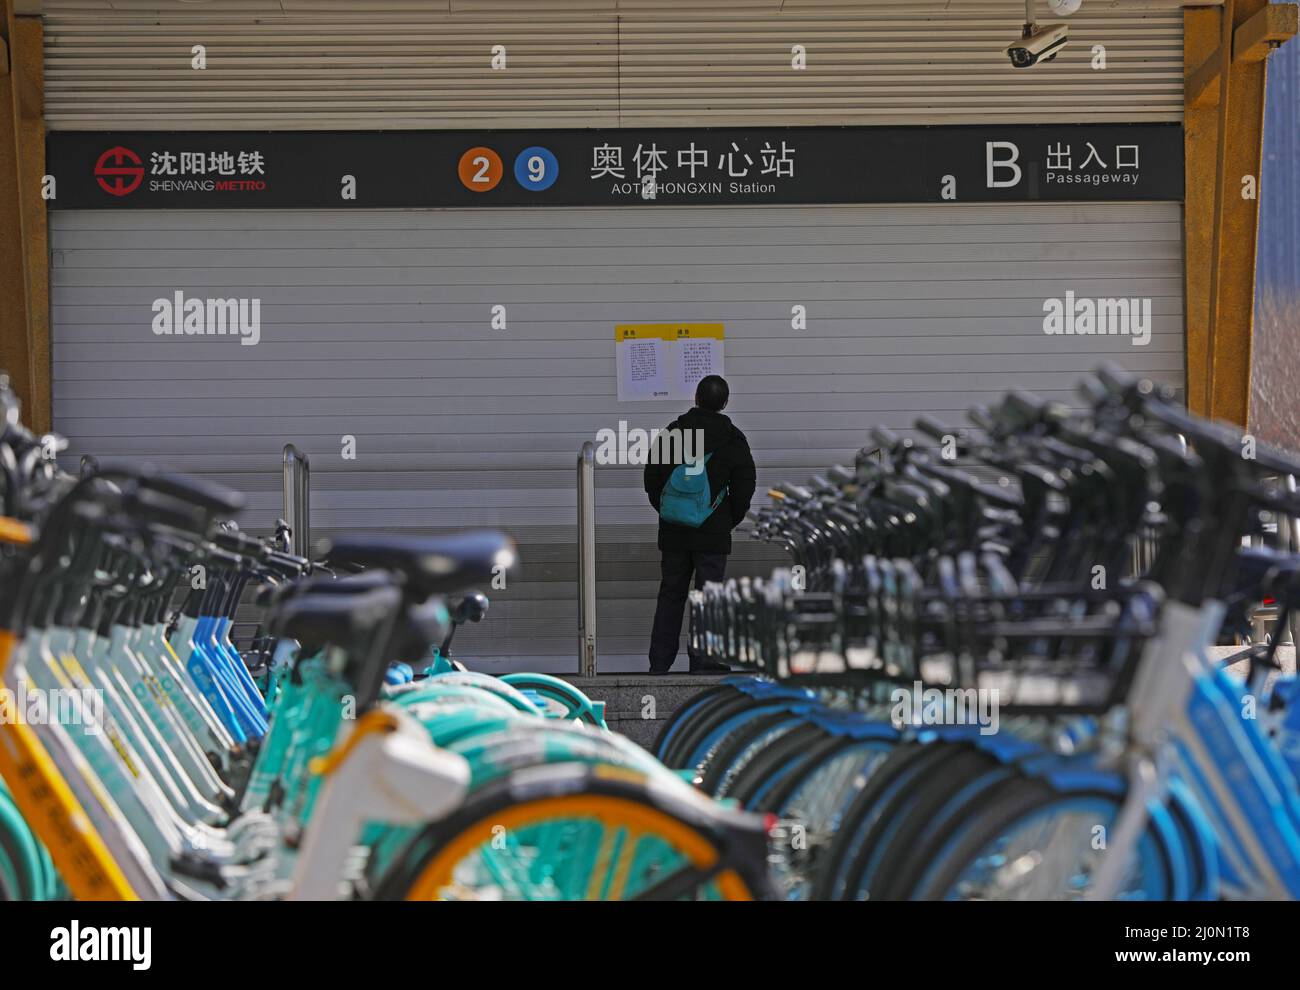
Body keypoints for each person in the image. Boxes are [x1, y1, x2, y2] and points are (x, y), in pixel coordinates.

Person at [643, 375, 757, 674]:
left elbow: (652, 478)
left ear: (696, 397)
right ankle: (703, 661)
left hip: (674, 532)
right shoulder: (733, 439)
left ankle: (659, 662)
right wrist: (724, 518)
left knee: (671, 593)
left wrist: (671, 511)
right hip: (713, 532)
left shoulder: (674, 433)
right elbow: (745, 487)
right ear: (725, 403)